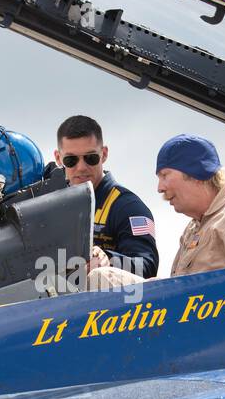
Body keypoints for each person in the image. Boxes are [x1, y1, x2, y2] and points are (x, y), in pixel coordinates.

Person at [90, 134, 225, 289]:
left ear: (197, 174)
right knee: (100, 278)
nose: (160, 187)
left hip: (219, 327)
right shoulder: (194, 228)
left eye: (165, 175)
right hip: (189, 321)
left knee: (101, 278)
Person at [53, 115, 160, 280]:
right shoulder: (50, 205)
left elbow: (147, 266)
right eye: (71, 160)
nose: (81, 167)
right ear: (58, 159)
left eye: (91, 158)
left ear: (104, 154)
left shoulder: (129, 207)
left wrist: (108, 260)